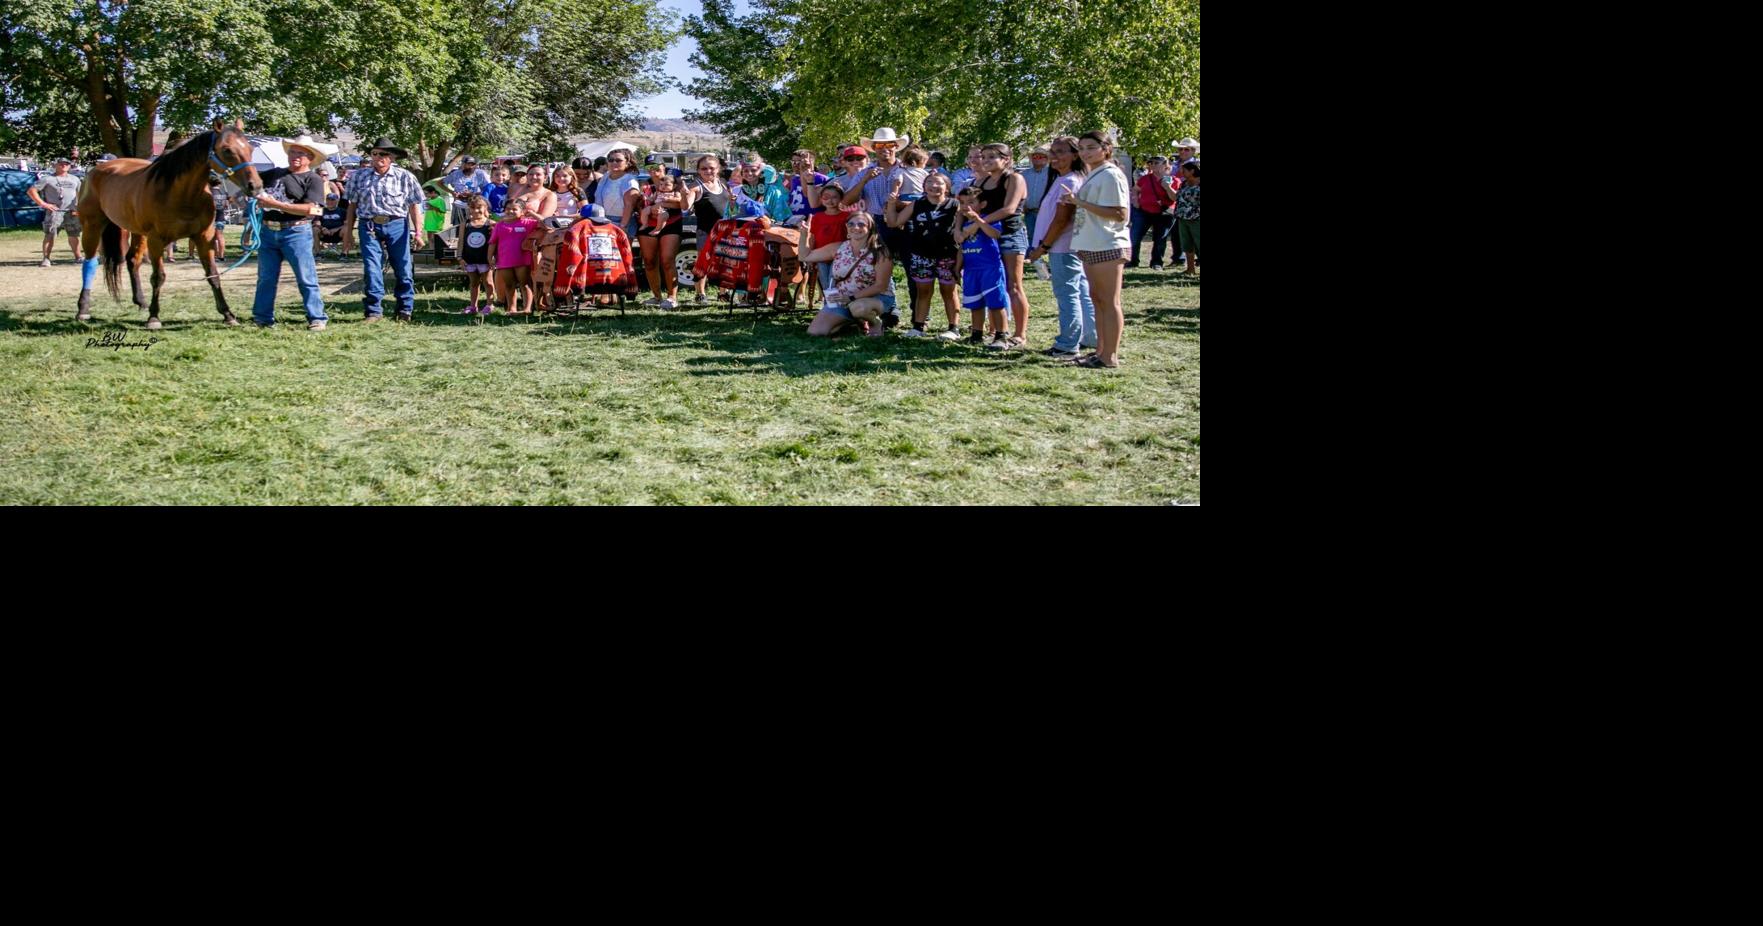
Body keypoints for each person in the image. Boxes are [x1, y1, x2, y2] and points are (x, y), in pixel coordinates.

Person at [341, 137, 428, 322]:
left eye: (383, 154)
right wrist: (348, 233)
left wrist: (418, 233)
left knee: (403, 269)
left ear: (392, 158)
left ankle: (405, 308)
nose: (378, 157)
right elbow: (351, 207)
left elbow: (415, 206)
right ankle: (374, 311)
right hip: (369, 225)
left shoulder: (405, 176)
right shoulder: (358, 176)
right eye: (374, 153)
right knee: (372, 268)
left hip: (397, 224)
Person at [1026, 136, 1096, 359]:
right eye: (1052, 152)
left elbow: (1061, 219)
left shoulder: (1071, 181)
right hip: (1067, 246)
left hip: (1063, 247)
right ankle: (1090, 336)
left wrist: (1043, 247)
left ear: (1075, 155)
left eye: (1060, 152)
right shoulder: (1063, 177)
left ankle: (1067, 344)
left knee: (1068, 294)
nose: (1053, 156)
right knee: (1081, 290)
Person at [1066, 131, 1131, 369]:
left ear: (1106, 148)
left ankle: (1110, 356)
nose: (1085, 153)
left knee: (1109, 301)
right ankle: (1100, 351)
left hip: (1108, 243)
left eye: (1091, 147)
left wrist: (1079, 202)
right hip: (1090, 242)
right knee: (1098, 300)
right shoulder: (1095, 173)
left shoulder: (1111, 175)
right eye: (1082, 148)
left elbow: (1119, 213)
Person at [250, 137, 330, 330]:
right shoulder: (273, 174)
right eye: (292, 152)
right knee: (266, 278)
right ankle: (262, 318)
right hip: (268, 231)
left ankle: (317, 318)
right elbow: (249, 180)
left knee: (306, 277)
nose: (295, 156)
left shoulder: (314, 179)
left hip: (297, 231)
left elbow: (311, 209)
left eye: (300, 153)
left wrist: (275, 204)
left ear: (310, 158)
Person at [887, 171, 961, 340]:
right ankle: (918, 327)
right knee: (923, 291)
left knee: (949, 291)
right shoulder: (917, 204)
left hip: (947, 254)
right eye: (930, 183)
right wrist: (891, 204)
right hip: (921, 254)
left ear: (947, 188)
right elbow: (894, 222)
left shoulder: (954, 205)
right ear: (923, 187)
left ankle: (953, 328)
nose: (934, 186)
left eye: (939, 183)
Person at [975, 142, 1032, 349]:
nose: (986, 161)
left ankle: (1020, 334)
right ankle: (995, 328)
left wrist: (978, 222)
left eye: (992, 157)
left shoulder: (1014, 178)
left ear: (1006, 159)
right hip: (987, 237)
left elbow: (1009, 209)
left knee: (1013, 285)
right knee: (992, 284)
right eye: (984, 157)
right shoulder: (982, 182)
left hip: (1010, 235)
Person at [801, 210, 892, 337]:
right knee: (815, 332)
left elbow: (880, 286)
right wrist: (804, 235)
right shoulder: (838, 248)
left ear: (870, 228)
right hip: (842, 300)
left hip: (874, 299)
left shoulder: (880, 253)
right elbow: (805, 256)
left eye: (861, 224)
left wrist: (851, 298)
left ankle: (874, 322)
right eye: (851, 224)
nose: (855, 227)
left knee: (858, 308)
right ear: (847, 227)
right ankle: (853, 322)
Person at [955, 186, 1009, 348]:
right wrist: (957, 268)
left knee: (996, 303)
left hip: (990, 268)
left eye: (971, 202)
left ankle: (1001, 335)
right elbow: (960, 247)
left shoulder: (988, 219)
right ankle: (976, 334)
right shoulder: (962, 223)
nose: (966, 206)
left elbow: (995, 234)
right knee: (975, 304)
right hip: (971, 270)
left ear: (982, 204)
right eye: (963, 202)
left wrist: (978, 221)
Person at [685, 154, 732, 304]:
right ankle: (700, 294)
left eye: (711, 168)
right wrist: (685, 195)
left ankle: (723, 293)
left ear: (718, 169)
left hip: (725, 231)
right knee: (702, 263)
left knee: (725, 262)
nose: (708, 171)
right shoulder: (695, 186)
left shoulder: (724, 183)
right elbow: (686, 206)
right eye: (703, 168)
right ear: (698, 170)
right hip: (705, 231)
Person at [638, 167, 685, 308]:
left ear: (664, 168)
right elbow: (640, 204)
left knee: (667, 260)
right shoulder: (644, 185)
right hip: (648, 224)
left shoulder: (675, 184)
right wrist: (647, 206)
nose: (653, 171)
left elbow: (682, 203)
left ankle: (672, 297)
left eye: (657, 167)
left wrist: (660, 204)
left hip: (671, 223)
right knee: (649, 261)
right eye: (650, 167)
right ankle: (656, 296)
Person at [488, 195, 539, 315]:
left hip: (523, 260)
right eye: (508, 209)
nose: (510, 211)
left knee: (525, 284)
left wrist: (532, 214)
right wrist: (490, 257)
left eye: (514, 209)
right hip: (505, 261)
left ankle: (527, 308)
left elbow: (546, 224)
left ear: (522, 211)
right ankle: (512, 308)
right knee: (509, 285)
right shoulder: (500, 225)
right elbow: (492, 242)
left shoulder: (528, 223)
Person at [28, 157, 82, 267]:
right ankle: (46, 259)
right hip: (54, 212)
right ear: (55, 165)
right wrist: (43, 204)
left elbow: (80, 194)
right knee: (50, 235)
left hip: (71, 211)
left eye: (66, 164)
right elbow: (31, 191)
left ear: (69, 166)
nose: (64, 165)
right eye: (61, 164)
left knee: (74, 235)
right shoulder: (47, 179)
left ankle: (78, 257)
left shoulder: (75, 179)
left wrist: (80, 207)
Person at [1129, 155, 1177, 268]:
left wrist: (1167, 187)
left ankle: (1156, 263)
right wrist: (1136, 200)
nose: (1152, 165)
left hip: (1164, 214)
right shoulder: (1145, 178)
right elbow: (1135, 189)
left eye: (1156, 162)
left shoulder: (1174, 180)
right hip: (1144, 212)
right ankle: (1132, 261)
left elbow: (1175, 198)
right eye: (1151, 163)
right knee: (1134, 236)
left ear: (1165, 165)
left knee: (1160, 239)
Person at [805, 184, 849, 301]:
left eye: (834, 197)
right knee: (825, 282)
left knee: (833, 281)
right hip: (821, 256)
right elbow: (812, 237)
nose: (830, 200)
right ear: (821, 199)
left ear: (841, 198)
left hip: (839, 256)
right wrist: (810, 255)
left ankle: (835, 306)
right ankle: (829, 305)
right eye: (826, 197)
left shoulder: (846, 216)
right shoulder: (817, 217)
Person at [457, 194, 496, 316]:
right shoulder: (466, 223)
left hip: (485, 259)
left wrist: (493, 258)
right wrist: (459, 257)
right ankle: (473, 306)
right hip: (469, 259)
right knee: (473, 283)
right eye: (472, 207)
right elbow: (461, 241)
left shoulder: (491, 223)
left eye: (479, 207)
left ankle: (490, 304)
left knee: (488, 282)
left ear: (486, 208)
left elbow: (495, 243)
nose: (476, 210)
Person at [594, 149, 643, 242]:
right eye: (611, 160)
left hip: (623, 223)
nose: (614, 162)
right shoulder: (605, 177)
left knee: (621, 255)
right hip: (603, 220)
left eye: (618, 160)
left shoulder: (629, 181)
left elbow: (630, 206)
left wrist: (622, 227)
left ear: (627, 163)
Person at [1022, 144, 1052, 279]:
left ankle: (1053, 266)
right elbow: (1021, 192)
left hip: (1046, 212)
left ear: (1046, 159)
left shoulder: (1051, 173)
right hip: (1029, 211)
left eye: (1040, 157)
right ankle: (1040, 269)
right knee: (1032, 239)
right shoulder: (1025, 174)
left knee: (1050, 239)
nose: (1037, 159)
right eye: (1034, 157)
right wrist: (1022, 205)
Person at [785, 148, 829, 228]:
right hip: (794, 222)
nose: (795, 164)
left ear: (810, 162)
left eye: (799, 162)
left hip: (812, 223)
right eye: (793, 161)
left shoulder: (822, 179)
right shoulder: (794, 179)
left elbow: (808, 195)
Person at [1175, 160, 1200, 275]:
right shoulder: (1184, 184)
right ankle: (1190, 269)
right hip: (1183, 218)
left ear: (1192, 171)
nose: (1182, 172)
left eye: (1184, 170)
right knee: (1187, 245)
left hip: (1197, 219)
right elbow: (1177, 197)